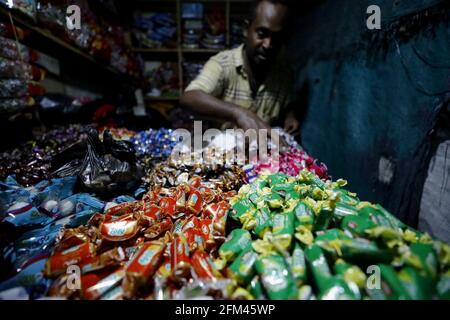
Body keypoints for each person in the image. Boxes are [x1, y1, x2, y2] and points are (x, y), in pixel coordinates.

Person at [180, 0, 299, 138]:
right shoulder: (223, 64)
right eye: (261, 34)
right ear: (246, 29)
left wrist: (291, 116)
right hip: (224, 153)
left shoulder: (283, 73)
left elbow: (288, 103)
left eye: (277, 38)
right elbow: (189, 97)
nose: (268, 44)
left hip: (262, 154)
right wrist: (238, 113)